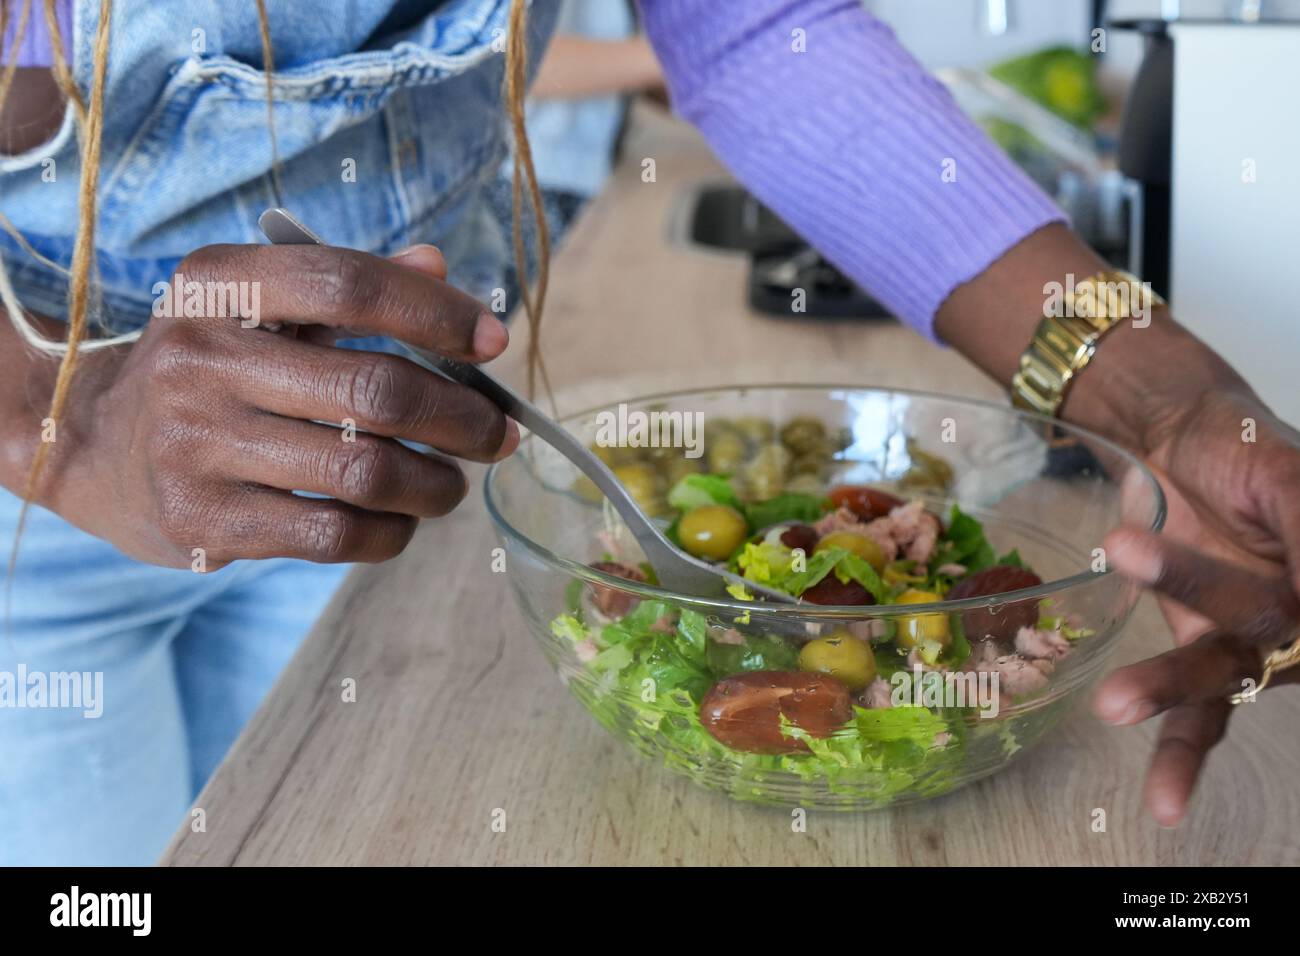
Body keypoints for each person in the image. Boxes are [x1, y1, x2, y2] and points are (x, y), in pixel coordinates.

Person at [0, 0, 1295, 865]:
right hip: (35, 546)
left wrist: (1163, 401)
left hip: (389, 491)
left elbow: (759, 30)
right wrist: (53, 427)